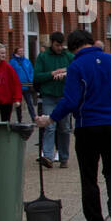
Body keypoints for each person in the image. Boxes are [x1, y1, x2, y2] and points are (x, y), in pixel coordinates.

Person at [36, 30, 111, 221]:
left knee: (89, 176)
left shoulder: (76, 66)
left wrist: (51, 118)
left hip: (87, 126)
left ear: (74, 47)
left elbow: (71, 100)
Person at [34, 32, 74, 168]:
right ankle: (48, 157)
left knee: (64, 128)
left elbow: (77, 69)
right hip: (49, 96)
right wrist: (52, 74)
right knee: (49, 126)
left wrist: (65, 71)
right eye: (57, 45)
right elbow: (37, 76)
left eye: (61, 45)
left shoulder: (68, 56)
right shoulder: (43, 57)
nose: (59, 48)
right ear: (52, 43)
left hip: (64, 97)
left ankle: (64, 157)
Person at [0, 42, 23, 122]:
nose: (4, 55)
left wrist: (17, 99)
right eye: (2, 53)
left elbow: (16, 83)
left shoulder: (8, 67)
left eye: (5, 53)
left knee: (5, 122)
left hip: (6, 100)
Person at [9, 44, 37, 121]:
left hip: (27, 85)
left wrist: (31, 80)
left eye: (22, 51)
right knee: (18, 104)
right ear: (16, 53)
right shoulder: (12, 62)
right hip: (17, 86)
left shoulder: (27, 61)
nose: (22, 52)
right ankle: (19, 119)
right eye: (20, 51)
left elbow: (31, 71)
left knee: (29, 103)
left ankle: (33, 117)